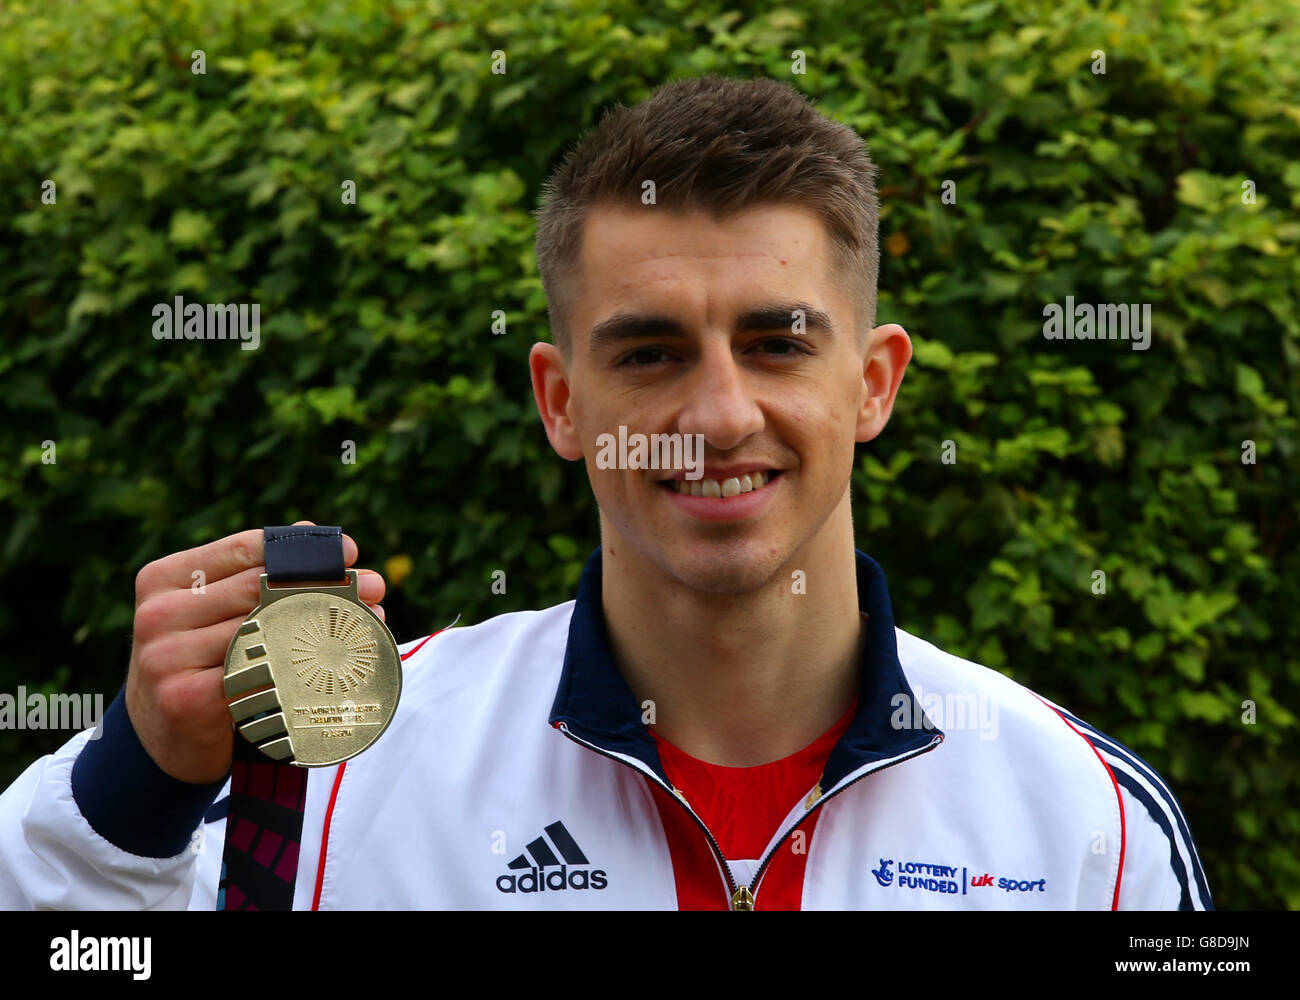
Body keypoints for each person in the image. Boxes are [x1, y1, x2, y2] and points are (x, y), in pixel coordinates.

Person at [0, 74, 1211, 910]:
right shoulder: (336, 782)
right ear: (561, 399)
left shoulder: (1084, 826)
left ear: (874, 382)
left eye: (778, 341)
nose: (720, 413)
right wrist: (138, 780)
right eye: (649, 352)